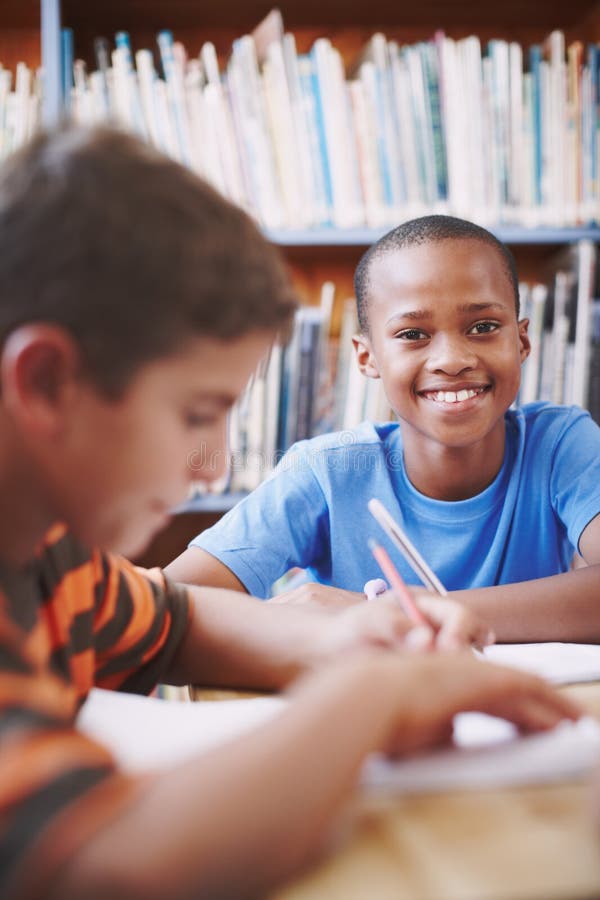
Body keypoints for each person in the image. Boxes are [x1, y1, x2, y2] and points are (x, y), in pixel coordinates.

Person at [0, 129, 580, 900]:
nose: (212, 465)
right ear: (46, 384)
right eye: (197, 413)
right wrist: (374, 698)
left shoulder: (48, 562)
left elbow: (178, 618)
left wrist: (351, 640)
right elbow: (103, 864)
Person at [168, 215, 600, 643]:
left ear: (522, 340)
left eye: (483, 327)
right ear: (366, 357)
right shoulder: (327, 472)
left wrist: (394, 613)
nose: (452, 358)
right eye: (413, 333)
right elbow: (165, 604)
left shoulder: (561, 445)